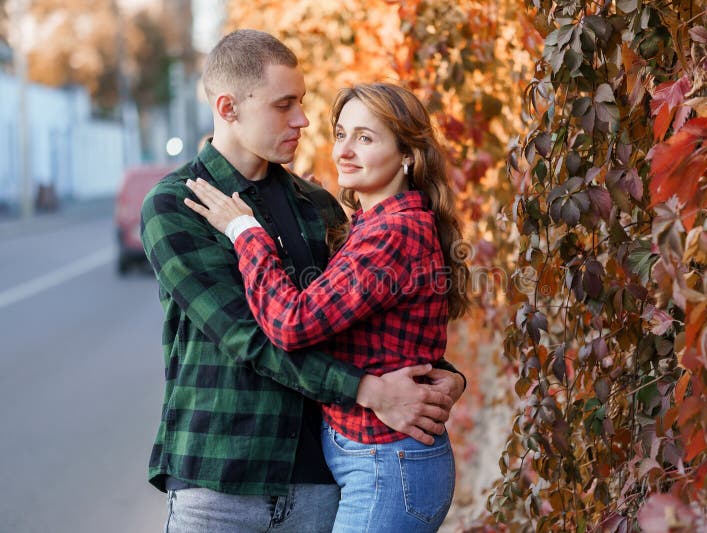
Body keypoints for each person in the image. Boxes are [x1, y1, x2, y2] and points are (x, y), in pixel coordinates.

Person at [140, 30, 466, 533]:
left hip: (317, 483)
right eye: (284, 105)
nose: (303, 120)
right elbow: (248, 338)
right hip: (220, 483)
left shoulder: (317, 205)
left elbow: (363, 317)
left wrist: (440, 376)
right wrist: (367, 390)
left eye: (302, 102)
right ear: (228, 108)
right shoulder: (176, 205)